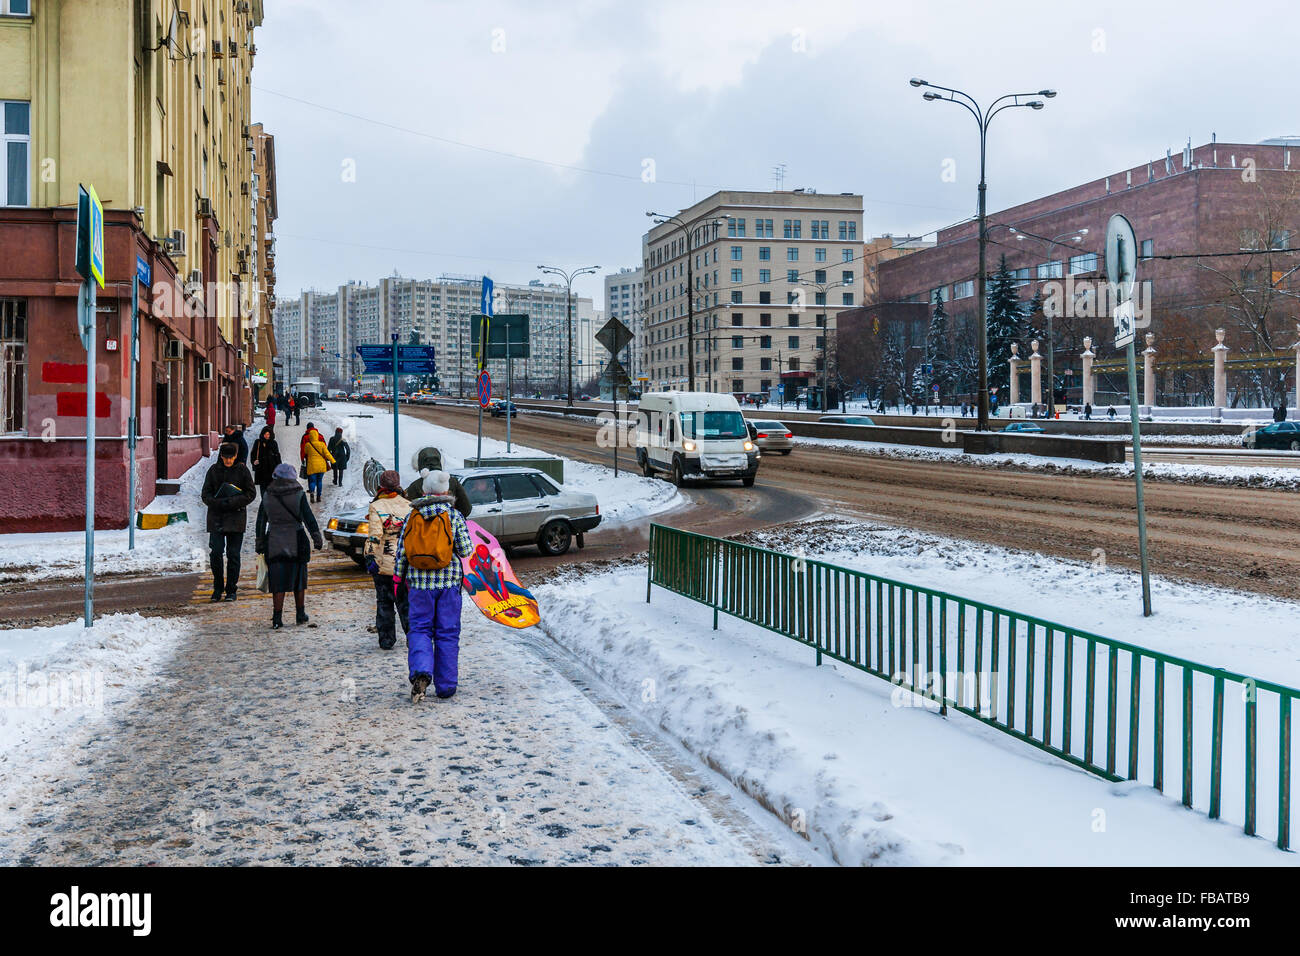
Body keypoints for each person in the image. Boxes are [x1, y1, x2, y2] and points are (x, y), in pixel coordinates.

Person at [393, 470, 474, 702]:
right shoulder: (454, 516)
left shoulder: (412, 516)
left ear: (424, 490)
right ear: (446, 491)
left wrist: (398, 579)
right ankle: (446, 686)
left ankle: (421, 672)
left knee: (419, 629)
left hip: (419, 586)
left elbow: (402, 553)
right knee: (447, 633)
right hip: (448, 585)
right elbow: (466, 550)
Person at [256, 462, 323, 629]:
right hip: (296, 539)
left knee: (277, 581)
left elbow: (260, 521)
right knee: (299, 578)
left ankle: (277, 618)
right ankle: (300, 614)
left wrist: (260, 541)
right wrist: (316, 537)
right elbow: (308, 518)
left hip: (275, 540)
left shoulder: (267, 494)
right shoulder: (298, 493)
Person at [200, 441, 256, 602]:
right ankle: (218, 588)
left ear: (236, 456)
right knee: (216, 553)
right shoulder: (213, 471)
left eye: (231, 458)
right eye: (226, 458)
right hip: (216, 518)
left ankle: (231, 589)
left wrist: (232, 502)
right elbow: (205, 495)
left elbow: (250, 494)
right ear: (221, 457)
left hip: (236, 518)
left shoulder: (242, 471)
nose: (228, 461)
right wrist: (218, 502)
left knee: (233, 555)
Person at [364, 469, 411, 650]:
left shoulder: (377, 506)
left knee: (384, 602)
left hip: (384, 563)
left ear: (381, 486)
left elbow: (375, 535)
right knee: (405, 602)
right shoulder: (409, 505)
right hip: (404, 561)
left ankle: (386, 639)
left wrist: (369, 556)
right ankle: (412, 636)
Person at [405, 447, 471, 517]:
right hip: (449, 525)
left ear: (419, 463)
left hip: (422, 526)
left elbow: (407, 513)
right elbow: (466, 509)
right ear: (440, 461)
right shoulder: (452, 482)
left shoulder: (414, 486)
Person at [302, 426, 335, 504]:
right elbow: (327, 454)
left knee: (312, 481)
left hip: (312, 466)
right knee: (319, 481)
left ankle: (312, 493)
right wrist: (333, 461)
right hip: (321, 466)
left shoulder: (308, 445)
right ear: (317, 435)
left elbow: (305, 452)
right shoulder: (322, 444)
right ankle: (319, 496)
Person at [250, 425, 282, 497]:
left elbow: (277, 455)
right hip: (261, 470)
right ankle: (264, 503)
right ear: (262, 434)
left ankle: (269, 503)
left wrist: (279, 467)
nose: (267, 436)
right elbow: (253, 454)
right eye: (265, 434)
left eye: (268, 434)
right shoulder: (258, 442)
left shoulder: (273, 443)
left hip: (271, 469)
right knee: (263, 489)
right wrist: (254, 461)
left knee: (271, 488)